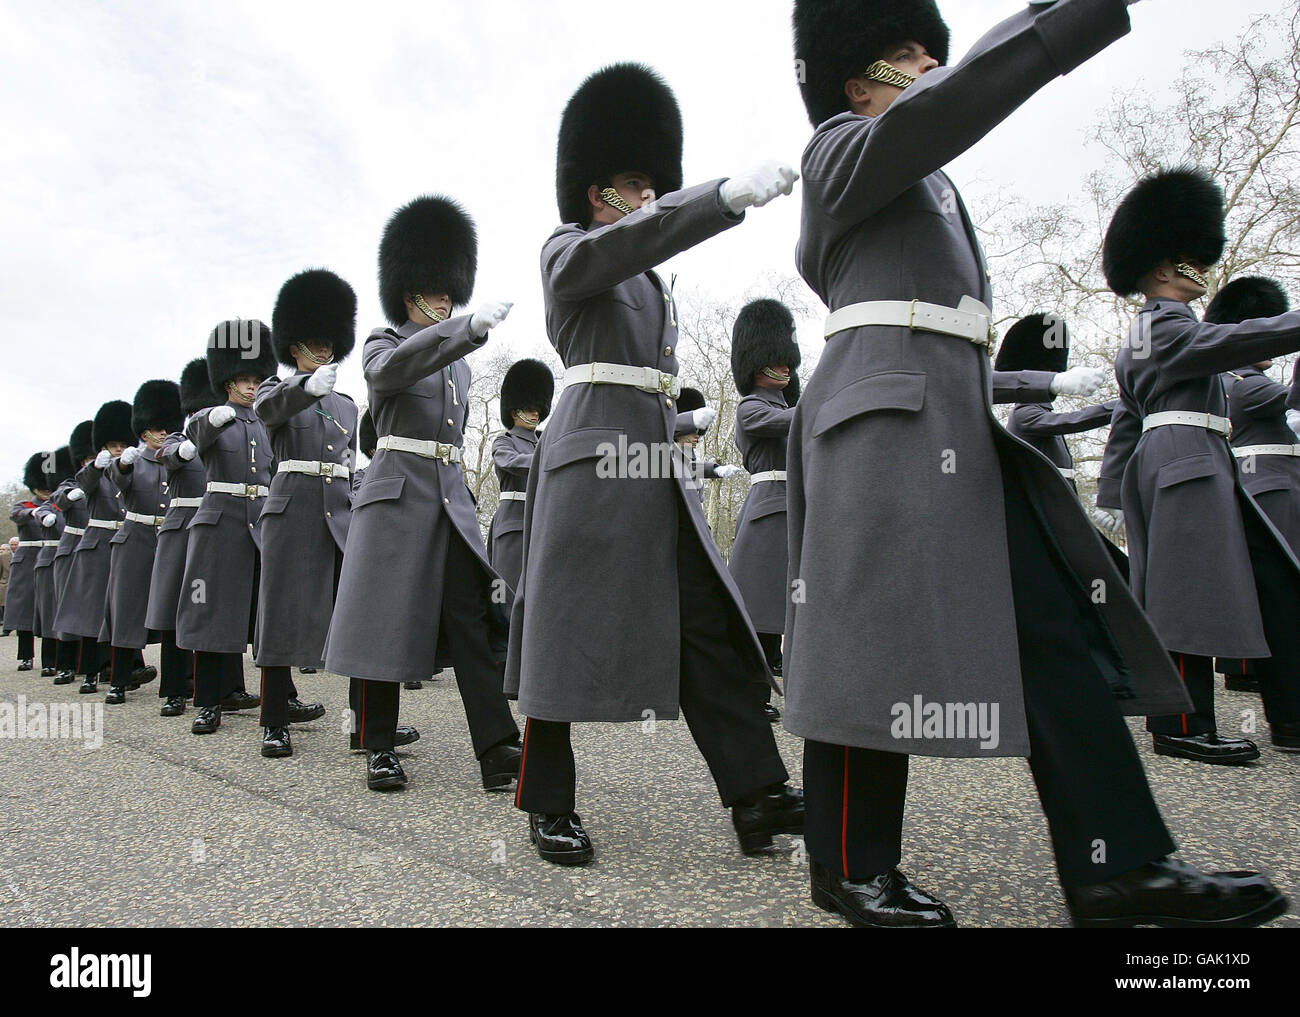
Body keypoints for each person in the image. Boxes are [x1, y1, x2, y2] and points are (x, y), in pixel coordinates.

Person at [787, 0, 1287, 928]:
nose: (931, 64)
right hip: (879, 420)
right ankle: (849, 860)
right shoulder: (836, 152)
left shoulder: (924, 178)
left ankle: (1117, 866)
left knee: (1050, 626)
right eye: (907, 54)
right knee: (866, 638)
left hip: (959, 426)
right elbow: (961, 97)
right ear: (859, 82)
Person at [505, 62, 803, 867]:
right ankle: (547, 801)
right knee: (561, 636)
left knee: (705, 622)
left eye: (652, 184)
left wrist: (683, 420)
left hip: (651, 457)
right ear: (596, 189)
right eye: (634, 184)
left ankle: (756, 794)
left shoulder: (649, 281)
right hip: (589, 456)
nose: (646, 198)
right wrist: (716, 198)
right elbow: (624, 250)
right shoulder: (568, 249)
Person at [1097, 170, 1300, 763]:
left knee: (1276, 582)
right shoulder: (1163, 325)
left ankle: (1287, 714)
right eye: (1191, 264)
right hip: (1188, 461)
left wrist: (1119, 491)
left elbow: (1126, 424)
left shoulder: (1154, 331)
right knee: (1182, 596)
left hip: (1192, 461)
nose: (1201, 273)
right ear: (1162, 269)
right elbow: (1229, 344)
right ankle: (1180, 721)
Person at [324, 195, 522, 792]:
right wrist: (463, 330)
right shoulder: (383, 343)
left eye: (450, 292)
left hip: (448, 497)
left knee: (469, 618)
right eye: (436, 291)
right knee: (386, 619)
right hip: (396, 493)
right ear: (409, 291)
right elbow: (389, 375)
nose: (447, 300)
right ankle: (378, 743)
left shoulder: (460, 364)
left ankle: (498, 746)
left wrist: (461, 336)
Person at [253, 268, 358, 758]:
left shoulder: (348, 403)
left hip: (339, 509)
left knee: (358, 615)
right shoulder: (277, 389)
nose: (324, 351)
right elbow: (269, 412)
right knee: (281, 615)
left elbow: (351, 460)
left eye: (329, 344)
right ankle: (274, 719)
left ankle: (366, 724)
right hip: (292, 504)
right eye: (314, 343)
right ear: (294, 347)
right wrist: (307, 387)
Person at [175, 322, 281, 735]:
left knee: (268, 613)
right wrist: (214, 420)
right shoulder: (210, 417)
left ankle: (281, 696)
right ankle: (207, 702)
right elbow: (193, 439)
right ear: (227, 382)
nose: (252, 386)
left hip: (261, 518)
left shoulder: (266, 421)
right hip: (220, 519)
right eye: (243, 379)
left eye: (256, 379)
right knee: (213, 612)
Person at [727, 299, 801, 719]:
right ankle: (750, 695)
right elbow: (790, 423)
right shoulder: (751, 407)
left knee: (781, 609)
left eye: (787, 362)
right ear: (756, 366)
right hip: (769, 511)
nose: (785, 369)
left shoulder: (786, 406)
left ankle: (772, 685)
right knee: (761, 612)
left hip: (792, 510)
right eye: (775, 361)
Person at [101, 381, 181, 704]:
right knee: (127, 611)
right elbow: (116, 478)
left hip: (168, 537)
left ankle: (179, 683)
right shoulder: (133, 460)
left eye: (167, 429)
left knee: (172, 609)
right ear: (144, 431)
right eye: (156, 429)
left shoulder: (174, 458)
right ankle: (119, 679)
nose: (163, 434)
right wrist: (122, 463)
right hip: (136, 538)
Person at [146, 360, 213, 716]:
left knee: (213, 607)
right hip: (182, 527)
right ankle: (175, 687)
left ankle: (221, 685)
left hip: (215, 524)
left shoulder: (225, 432)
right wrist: (184, 449)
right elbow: (167, 456)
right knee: (177, 606)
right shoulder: (179, 438)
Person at [54, 401, 134, 693]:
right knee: (91, 613)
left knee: (122, 610)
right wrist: (94, 468)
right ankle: (89, 671)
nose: (117, 450)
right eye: (113, 445)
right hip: (97, 542)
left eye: (122, 445)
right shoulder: (93, 473)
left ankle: (121, 670)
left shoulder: (132, 468)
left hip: (125, 541)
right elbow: (79, 487)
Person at [488, 359, 553, 593]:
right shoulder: (505, 441)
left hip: (543, 522)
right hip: (514, 522)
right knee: (507, 593)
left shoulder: (546, 442)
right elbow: (510, 461)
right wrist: (548, 459)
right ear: (515, 411)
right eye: (529, 408)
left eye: (538, 408)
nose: (535, 412)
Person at [50, 421, 94, 683]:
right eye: (88, 459)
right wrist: (76, 493)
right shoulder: (69, 483)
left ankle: (96, 666)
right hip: (73, 547)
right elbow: (60, 499)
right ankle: (65, 664)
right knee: (69, 608)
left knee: (94, 610)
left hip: (95, 548)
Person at [9, 452, 56, 670]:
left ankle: (51, 658)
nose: (46, 489)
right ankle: (26, 655)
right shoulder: (24, 504)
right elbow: (18, 514)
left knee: (49, 609)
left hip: (51, 556)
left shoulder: (58, 504)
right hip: (28, 558)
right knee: (25, 608)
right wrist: (36, 512)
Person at [30, 447, 74, 677]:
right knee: (51, 612)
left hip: (76, 556)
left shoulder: (76, 499)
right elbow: (36, 512)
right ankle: (51, 660)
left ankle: (77, 661)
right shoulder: (49, 505)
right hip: (52, 557)